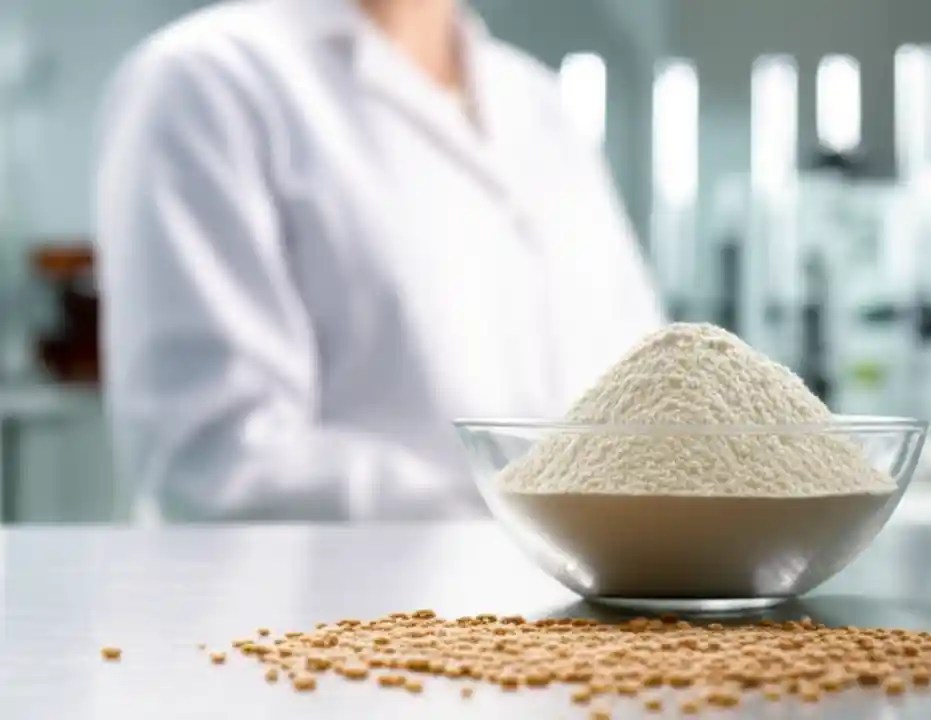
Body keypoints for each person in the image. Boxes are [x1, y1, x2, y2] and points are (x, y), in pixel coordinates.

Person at [95, 0, 661, 522]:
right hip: (320, 619)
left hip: (576, 618)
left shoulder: (537, 102)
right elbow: (215, 464)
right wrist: (536, 521)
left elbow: (642, 388)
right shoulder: (209, 80)